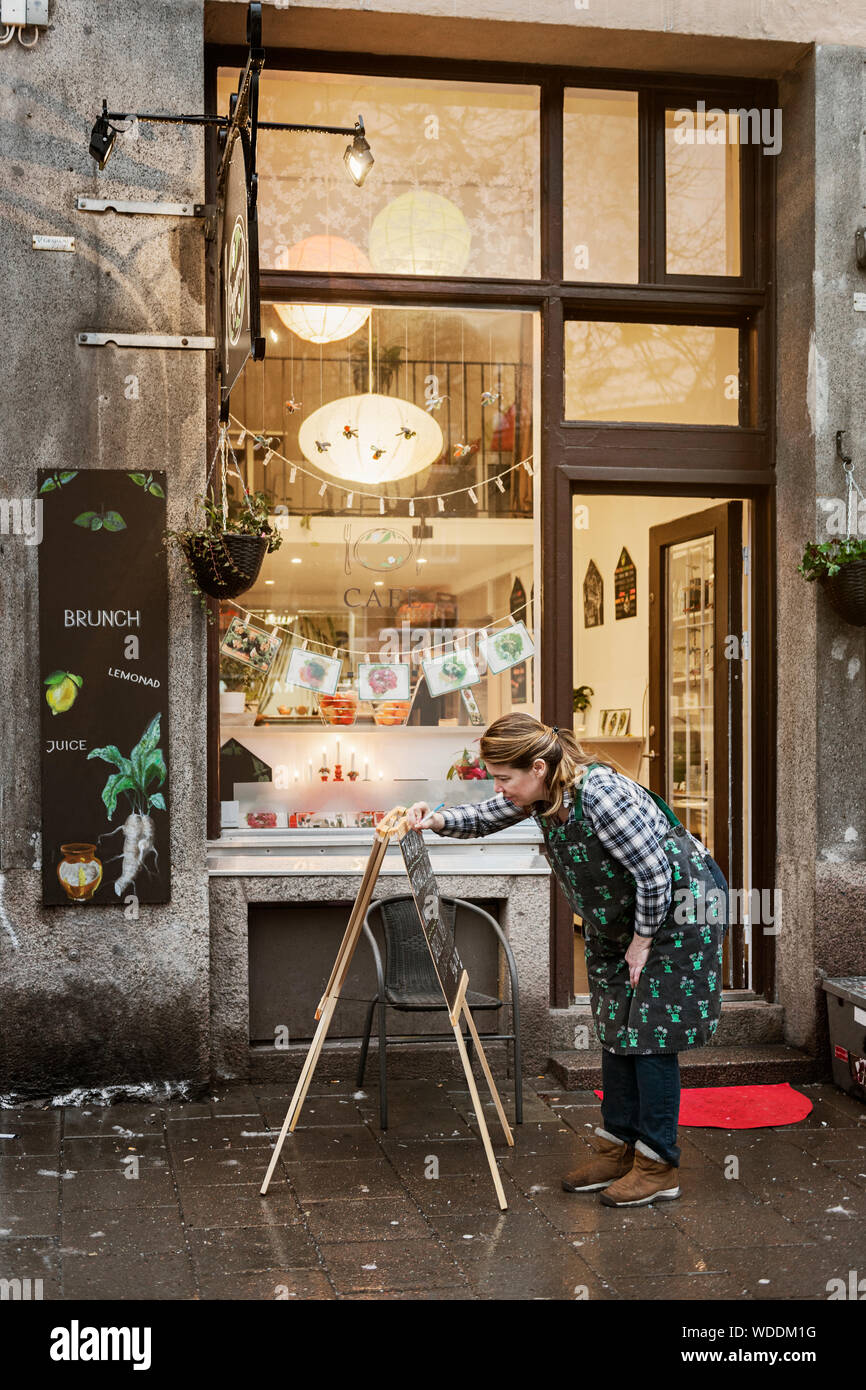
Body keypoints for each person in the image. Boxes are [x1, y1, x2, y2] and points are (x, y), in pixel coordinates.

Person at [406, 712, 729, 1208]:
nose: (499, 787)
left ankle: (659, 1163)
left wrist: (642, 943)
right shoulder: (542, 791)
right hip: (620, 918)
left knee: (650, 1035)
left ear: (537, 767)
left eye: (504, 777)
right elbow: (490, 814)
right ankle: (619, 1149)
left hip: (675, 912)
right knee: (616, 1029)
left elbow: (655, 876)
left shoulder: (600, 795)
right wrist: (437, 821)